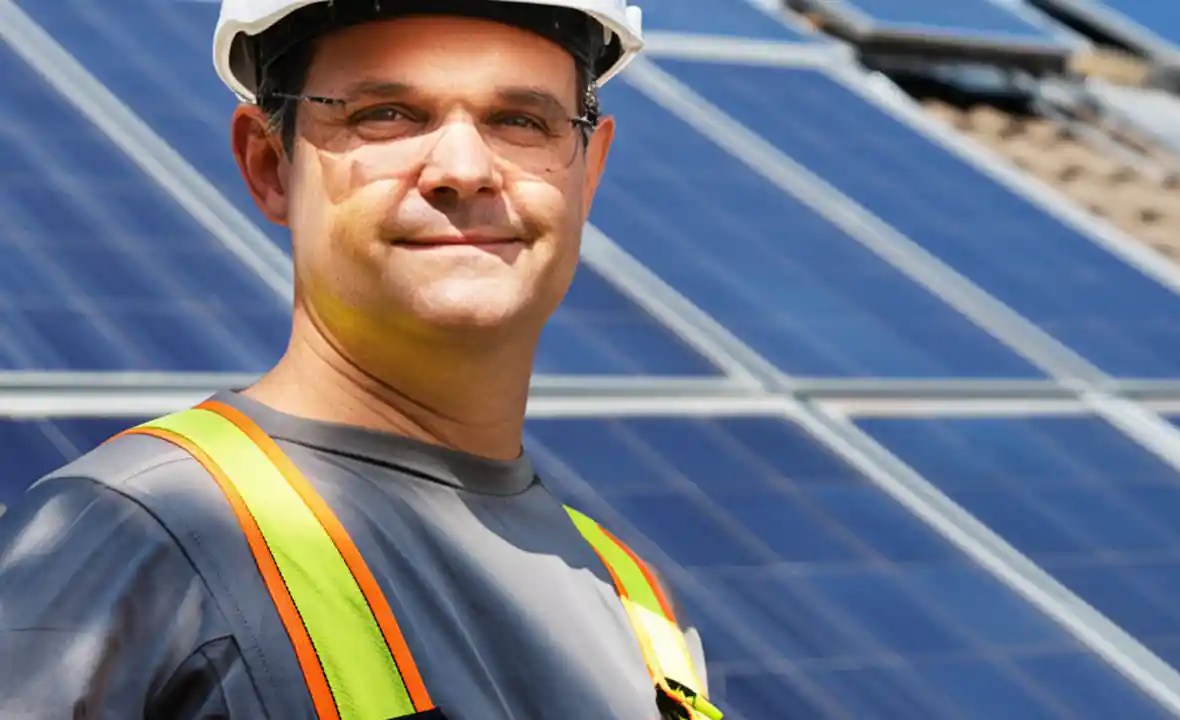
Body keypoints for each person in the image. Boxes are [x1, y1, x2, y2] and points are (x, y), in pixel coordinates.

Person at [0, 1, 722, 717]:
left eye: (521, 121)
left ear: (588, 174)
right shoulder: (130, 540)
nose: (464, 170)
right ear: (269, 165)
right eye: (387, 115)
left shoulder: (638, 609)